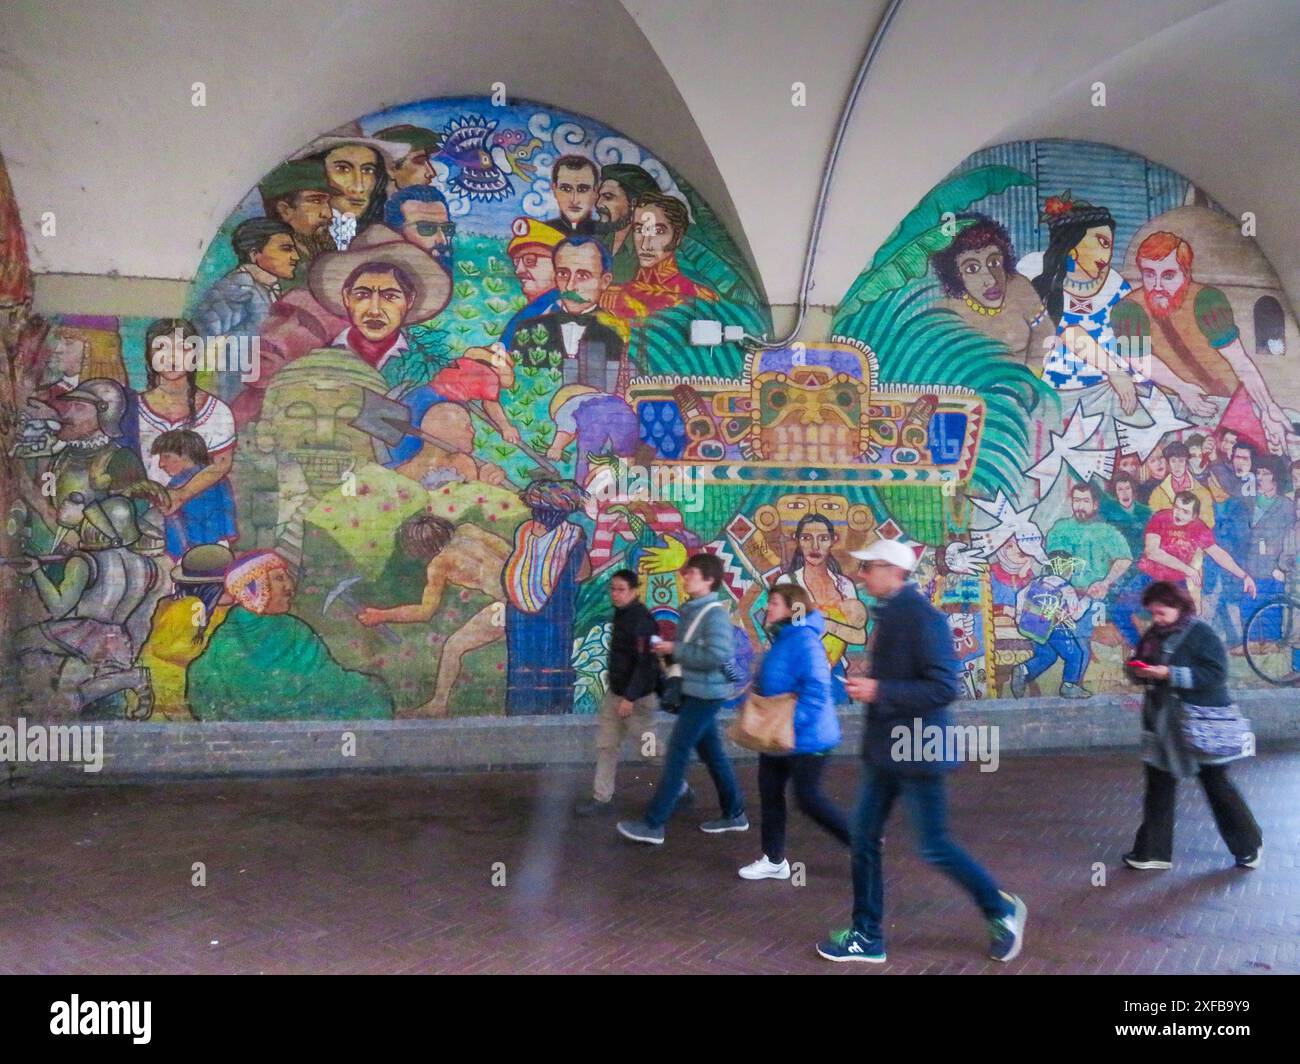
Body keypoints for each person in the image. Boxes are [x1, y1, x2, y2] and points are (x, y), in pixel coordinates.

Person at [816, 538, 1025, 964]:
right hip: (887, 750)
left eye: (869, 567)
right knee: (863, 838)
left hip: (917, 748)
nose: (861, 575)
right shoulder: (892, 614)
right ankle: (867, 935)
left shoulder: (923, 618)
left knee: (933, 845)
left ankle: (1000, 908)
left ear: (894, 572)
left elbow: (943, 687)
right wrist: (876, 684)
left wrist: (879, 689)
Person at [1122, 580, 1263, 870]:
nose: (1156, 619)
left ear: (1178, 607)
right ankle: (1153, 852)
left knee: (1216, 785)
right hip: (1162, 724)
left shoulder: (1202, 633)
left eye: (1161, 613)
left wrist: (1170, 674)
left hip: (1200, 724)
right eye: (1152, 613)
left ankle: (1249, 846)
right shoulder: (1153, 634)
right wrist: (1137, 670)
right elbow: (1141, 661)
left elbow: (1216, 673)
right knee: (1158, 786)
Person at [617, 552, 747, 844]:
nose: (685, 577)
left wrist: (675, 648)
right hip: (697, 690)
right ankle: (735, 811)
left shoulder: (714, 614)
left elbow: (717, 655)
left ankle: (653, 824)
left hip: (706, 693)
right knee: (712, 753)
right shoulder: (691, 609)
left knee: (677, 752)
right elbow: (694, 650)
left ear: (709, 580)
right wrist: (670, 650)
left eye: (692, 574)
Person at [737, 582, 850, 880]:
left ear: (793, 608)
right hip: (777, 737)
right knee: (770, 795)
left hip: (807, 739)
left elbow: (817, 691)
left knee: (808, 799)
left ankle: (861, 842)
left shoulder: (804, 641)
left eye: (775, 603)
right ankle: (774, 860)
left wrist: (788, 722)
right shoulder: (784, 638)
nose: (768, 607)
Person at [575, 569, 662, 816]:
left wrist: (630, 697)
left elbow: (646, 664)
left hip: (637, 700)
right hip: (615, 695)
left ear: (634, 591)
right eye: (612, 589)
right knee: (606, 745)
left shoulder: (642, 621)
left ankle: (678, 786)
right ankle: (602, 798)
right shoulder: (622, 614)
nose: (615, 594)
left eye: (621, 589)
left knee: (650, 751)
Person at [150, 428, 237, 559]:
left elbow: (172, 524)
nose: (161, 464)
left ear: (186, 456)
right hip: (220, 546)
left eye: (167, 456)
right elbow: (228, 516)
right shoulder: (220, 480)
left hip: (189, 552)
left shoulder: (176, 485)